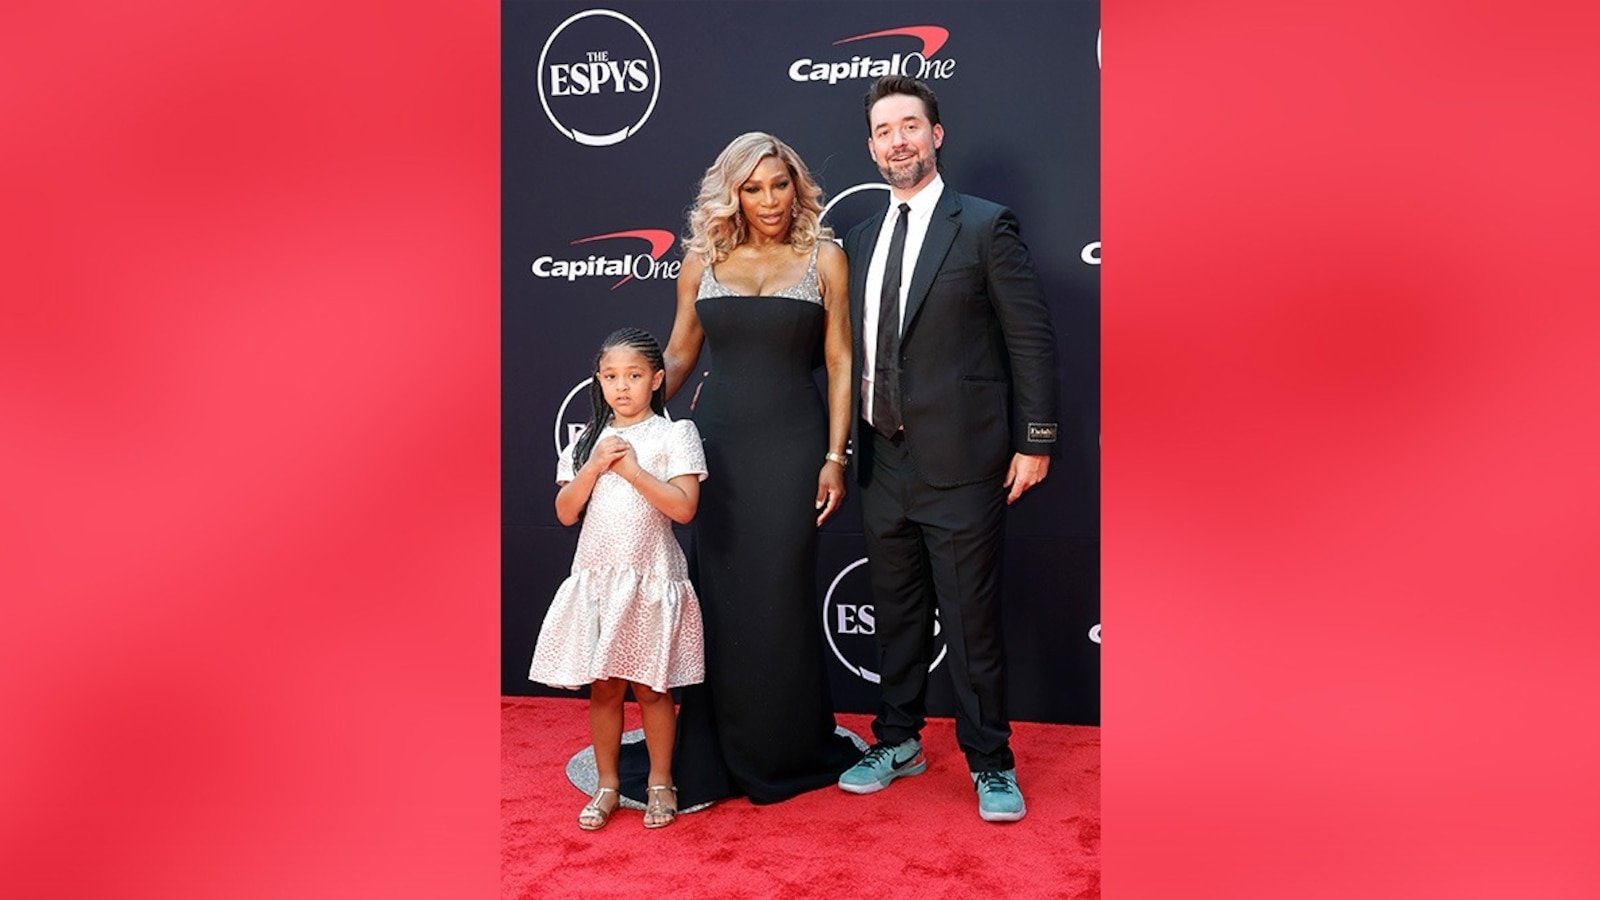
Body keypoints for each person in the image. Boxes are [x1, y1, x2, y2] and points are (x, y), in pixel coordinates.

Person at [614, 131, 863, 810]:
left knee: (779, 594)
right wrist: (633, 415)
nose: (769, 200)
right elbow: (681, 352)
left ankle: (784, 744)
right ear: (733, 195)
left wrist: (835, 457)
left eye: (778, 185)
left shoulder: (826, 258)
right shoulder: (702, 262)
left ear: (796, 185)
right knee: (720, 600)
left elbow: (841, 363)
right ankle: (717, 745)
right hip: (717, 448)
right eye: (752, 189)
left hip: (793, 445)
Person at [835, 75, 1061, 823]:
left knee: (970, 622)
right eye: (884, 130)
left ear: (937, 135)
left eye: (910, 125)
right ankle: (897, 740)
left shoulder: (984, 225)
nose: (897, 139)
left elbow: (1029, 339)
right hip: (883, 461)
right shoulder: (860, 241)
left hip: (966, 464)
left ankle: (991, 761)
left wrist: (1036, 439)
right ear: (871, 149)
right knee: (896, 615)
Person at [528, 327, 708, 831]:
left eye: (633, 375)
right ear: (599, 381)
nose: (621, 386)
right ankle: (607, 785)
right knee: (605, 689)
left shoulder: (676, 434)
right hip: (598, 580)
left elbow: (685, 507)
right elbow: (566, 513)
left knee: (652, 689)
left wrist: (630, 471)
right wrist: (594, 467)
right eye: (610, 376)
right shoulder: (587, 439)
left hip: (651, 577)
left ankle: (659, 783)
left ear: (656, 379)